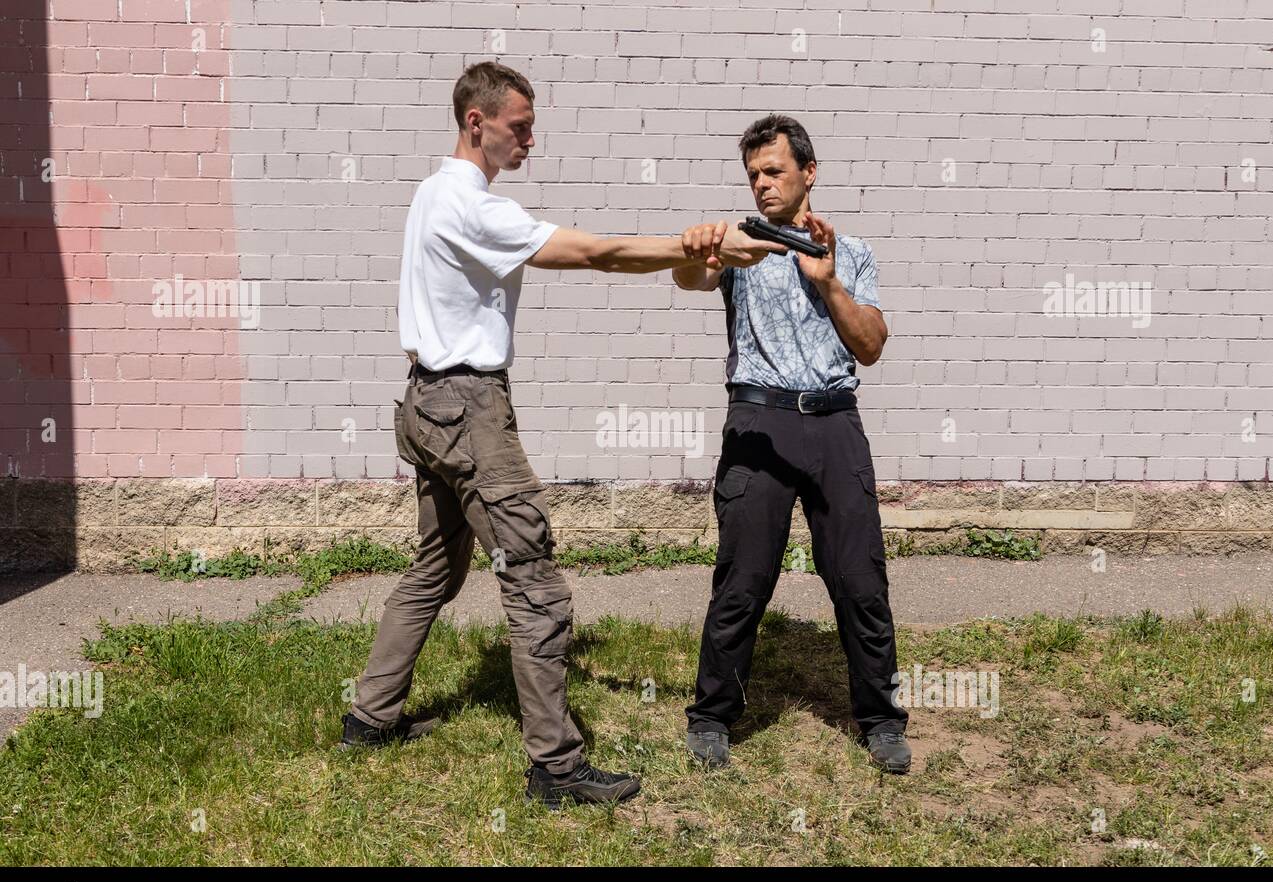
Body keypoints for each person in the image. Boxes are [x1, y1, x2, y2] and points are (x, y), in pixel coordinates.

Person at [339, 62, 783, 810]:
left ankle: (368, 718)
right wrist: (692, 248)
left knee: (435, 570)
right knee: (537, 588)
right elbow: (597, 253)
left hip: (425, 407)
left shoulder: (431, 192)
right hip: (468, 411)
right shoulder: (473, 206)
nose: (530, 140)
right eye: (519, 126)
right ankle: (556, 766)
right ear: (476, 122)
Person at [671, 114, 911, 774]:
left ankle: (882, 719)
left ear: (809, 172)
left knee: (860, 581)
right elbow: (691, 278)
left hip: (834, 424)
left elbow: (871, 346)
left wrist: (827, 281)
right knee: (743, 580)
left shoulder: (851, 253)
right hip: (758, 425)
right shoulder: (742, 245)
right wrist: (695, 253)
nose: (761, 184)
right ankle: (712, 717)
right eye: (752, 174)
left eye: (773, 170)